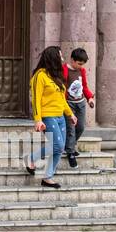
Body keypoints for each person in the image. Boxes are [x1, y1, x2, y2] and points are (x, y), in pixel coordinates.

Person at [25, 45, 76, 188]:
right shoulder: (39, 76)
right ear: (53, 58)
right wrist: (38, 119)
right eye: (60, 56)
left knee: (60, 148)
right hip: (48, 117)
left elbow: (61, 99)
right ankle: (31, 159)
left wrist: (70, 113)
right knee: (58, 145)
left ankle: (47, 177)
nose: (62, 59)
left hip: (60, 117)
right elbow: (35, 99)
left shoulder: (56, 76)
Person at [62, 47, 94, 168]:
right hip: (69, 103)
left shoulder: (82, 71)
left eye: (82, 64)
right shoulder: (64, 69)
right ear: (72, 60)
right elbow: (62, 86)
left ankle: (70, 146)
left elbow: (84, 86)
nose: (80, 66)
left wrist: (89, 98)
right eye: (79, 63)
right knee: (71, 128)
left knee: (80, 127)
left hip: (80, 102)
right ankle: (70, 153)